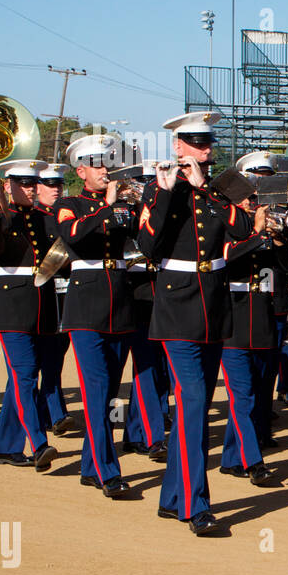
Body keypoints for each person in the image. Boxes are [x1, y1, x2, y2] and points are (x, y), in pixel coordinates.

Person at [139, 111, 252, 536]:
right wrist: (168, 194)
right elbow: (148, 244)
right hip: (177, 301)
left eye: (208, 142)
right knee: (193, 401)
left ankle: (172, 499)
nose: (205, 149)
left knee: (197, 404)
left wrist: (211, 191)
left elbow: (243, 228)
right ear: (177, 145)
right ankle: (193, 502)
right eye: (195, 142)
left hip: (215, 303)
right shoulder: (158, 186)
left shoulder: (223, 184)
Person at [53, 135, 137, 498]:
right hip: (85, 304)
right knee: (96, 388)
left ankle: (91, 466)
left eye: (109, 163)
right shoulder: (69, 203)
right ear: (81, 169)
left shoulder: (124, 204)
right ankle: (107, 471)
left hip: (119, 301)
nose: (107, 170)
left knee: (108, 393)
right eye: (99, 165)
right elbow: (72, 234)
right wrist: (108, 206)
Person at [0, 160, 60, 472]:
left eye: (32, 183)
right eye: (22, 183)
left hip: (40, 303)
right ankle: (38, 442)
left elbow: (59, 252)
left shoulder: (43, 217)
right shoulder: (0, 215)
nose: (28, 188)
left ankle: (6, 446)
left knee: (21, 379)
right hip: (11, 304)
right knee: (25, 373)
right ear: (8, 185)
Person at [218, 151, 285, 487]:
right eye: (249, 193)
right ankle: (252, 459)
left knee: (256, 392)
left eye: (258, 195)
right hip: (230, 311)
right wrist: (258, 235)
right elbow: (224, 258)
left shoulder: (268, 220)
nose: (254, 200)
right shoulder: (221, 217)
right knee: (241, 393)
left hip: (260, 310)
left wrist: (280, 237)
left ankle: (232, 458)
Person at [121, 160, 168, 462]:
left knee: (156, 369)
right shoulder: (126, 212)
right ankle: (152, 436)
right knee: (147, 366)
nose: (146, 190)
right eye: (142, 184)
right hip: (136, 295)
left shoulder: (162, 211)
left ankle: (135, 433)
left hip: (161, 293)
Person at [35, 163, 73, 435]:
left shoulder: (65, 213)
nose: (55, 189)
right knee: (46, 357)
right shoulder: (35, 218)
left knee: (56, 355)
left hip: (66, 293)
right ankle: (55, 413)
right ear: (36, 188)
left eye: (58, 184)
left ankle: (46, 412)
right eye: (49, 185)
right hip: (43, 294)